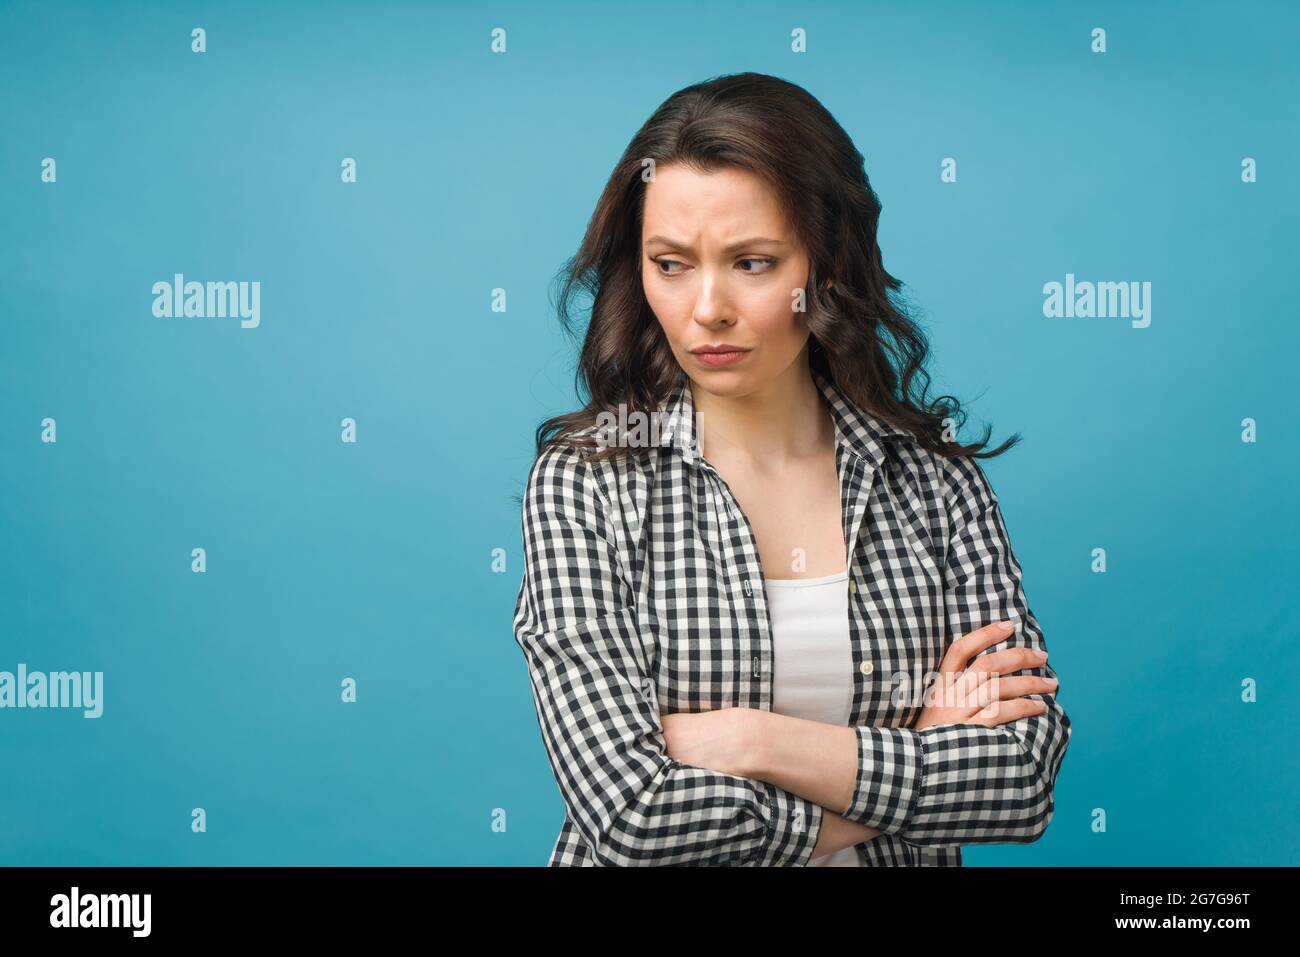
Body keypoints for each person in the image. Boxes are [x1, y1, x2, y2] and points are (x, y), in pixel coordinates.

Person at [512, 71, 1070, 866]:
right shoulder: (584, 484)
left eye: (752, 262)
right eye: (670, 263)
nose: (708, 308)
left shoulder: (935, 484)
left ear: (828, 265)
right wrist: (913, 758)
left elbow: (1020, 780)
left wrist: (752, 738)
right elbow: (632, 816)